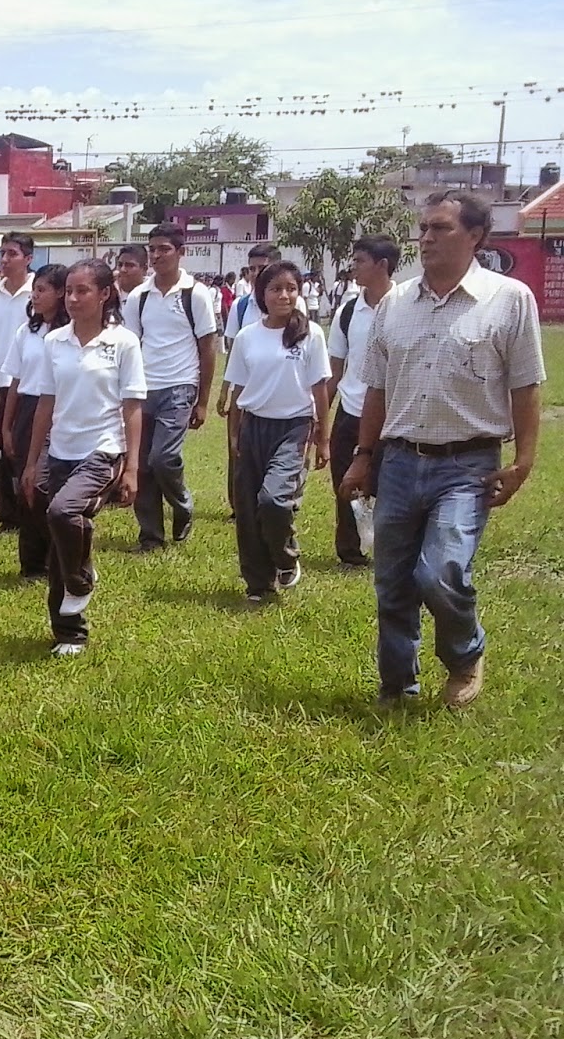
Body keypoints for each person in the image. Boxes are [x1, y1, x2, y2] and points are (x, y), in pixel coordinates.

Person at [339, 191, 546, 709]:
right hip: (401, 460)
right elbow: (377, 389)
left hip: (469, 464)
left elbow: (526, 386)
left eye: (440, 228)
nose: (426, 238)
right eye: (424, 229)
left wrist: (523, 461)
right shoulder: (395, 303)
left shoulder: (509, 299)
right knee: (392, 582)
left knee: (442, 571)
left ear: (476, 235)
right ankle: (397, 685)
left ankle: (464, 652)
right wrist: (364, 455)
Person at [21, 259, 144, 656]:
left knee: (63, 513)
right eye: (69, 291)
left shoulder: (123, 342)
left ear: (105, 294)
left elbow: (132, 406)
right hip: (60, 453)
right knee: (59, 543)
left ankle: (83, 575)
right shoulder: (55, 342)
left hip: (103, 450)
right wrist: (32, 460)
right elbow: (45, 402)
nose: (72, 299)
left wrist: (133, 468)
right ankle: (68, 633)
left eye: (83, 291)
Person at [223, 261, 330, 602]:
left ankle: (286, 557)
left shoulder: (310, 334)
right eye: (275, 289)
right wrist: (235, 433)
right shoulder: (247, 336)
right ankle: (258, 583)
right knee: (247, 508)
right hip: (254, 425)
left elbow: (320, 390)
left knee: (273, 501)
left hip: (293, 428)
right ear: (262, 295)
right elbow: (239, 391)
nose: (284, 295)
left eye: (291, 288)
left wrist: (322, 438)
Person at [122, 222, 218, 550]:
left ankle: (182, 504)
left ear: (181, 252)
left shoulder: (196, 295)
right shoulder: (139, 297)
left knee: (162, 458)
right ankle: (151, 535)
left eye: (165, 249)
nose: (157, 255)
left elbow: (208, 347)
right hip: (143, 387)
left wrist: (202, 401)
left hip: (180, 386)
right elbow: (131, 345)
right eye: (153, 249)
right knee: (141, 462)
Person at [327, 236, 397, 568]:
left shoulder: (404, 306)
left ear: (382, 265)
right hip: (350, 411)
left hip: (393, 417)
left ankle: (389, 549)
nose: (354, 267)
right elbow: (334, 368)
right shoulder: (349, 310)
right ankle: (350, 552)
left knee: (389, 488)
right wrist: (317, 418)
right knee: (345, 484)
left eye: (360, 261)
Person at [0, 262, 69, 580]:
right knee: (26, 488)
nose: (36, 295)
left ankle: (63, 554)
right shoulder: (26, 331)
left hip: (62, 410)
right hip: (28, 410)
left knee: (47, 486)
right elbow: (16, 379)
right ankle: (31, 563)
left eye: (42, 289)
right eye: (35, 289)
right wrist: (7, 424)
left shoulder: (71, 334)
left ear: (60, 293)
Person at [0, 233, 37, 533]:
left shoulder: (37, 293)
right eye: (2, 253)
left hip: (30, 384)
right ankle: (8, 515)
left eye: (12, 253)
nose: (4, 259)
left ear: (28, 258)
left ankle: (31, 509)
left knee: (26, 447)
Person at [217, 242, 279, 517]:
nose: (255, 274)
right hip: (244, 390)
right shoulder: (242, 306)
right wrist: (224, 390)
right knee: (237, 446)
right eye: (251, 268)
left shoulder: (289, 302)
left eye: (261, 268)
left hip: (275, 390)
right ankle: (239, 503)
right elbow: (233, 350)